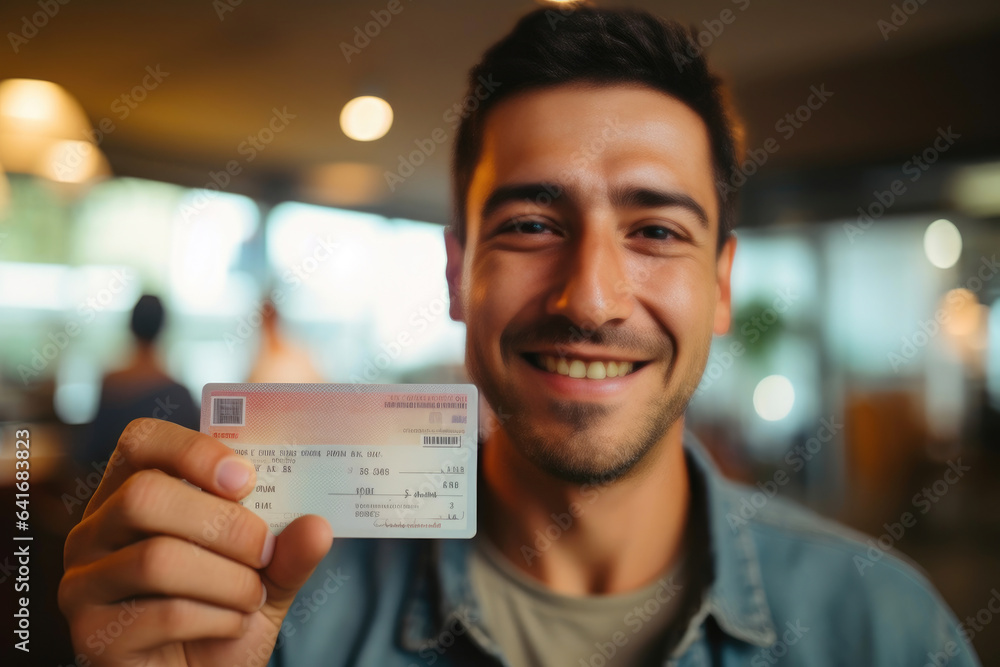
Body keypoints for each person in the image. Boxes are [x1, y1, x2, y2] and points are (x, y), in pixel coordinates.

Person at [58, 7, 980, 666]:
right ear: (457, 272)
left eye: (656, 231)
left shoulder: (888, 629)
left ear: (722, 284)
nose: (590, 297)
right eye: (532, 225)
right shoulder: (270, 618)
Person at [77, 293, 199, 468]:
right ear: (163, 328)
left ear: (131, 326)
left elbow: (91, 451)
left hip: (111, 488)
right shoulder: (179, 395)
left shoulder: (110, 383)